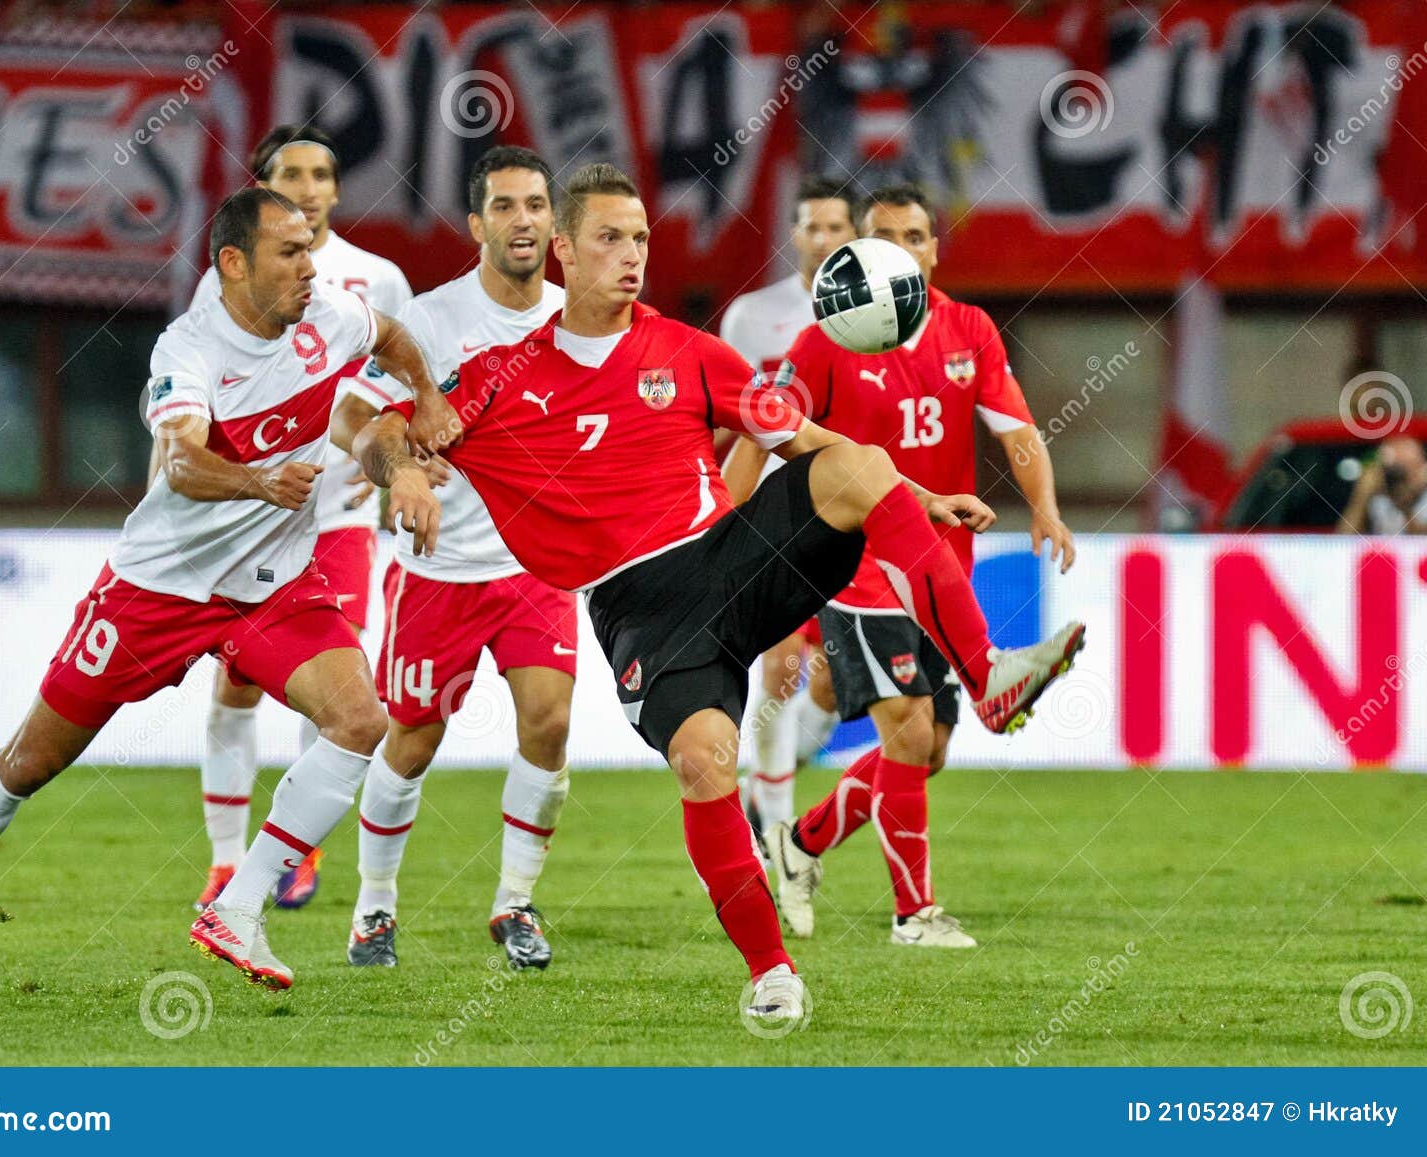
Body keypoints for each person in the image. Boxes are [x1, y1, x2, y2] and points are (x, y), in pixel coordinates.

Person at [355, 164, 1084, 1024]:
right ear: (563, 251)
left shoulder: (687, 350)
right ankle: (771, 970)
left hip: (731, 556)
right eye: (609, 239)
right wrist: (402, 468)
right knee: (704, 762)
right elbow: (383, 427)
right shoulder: (503, 375)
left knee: (856, 462)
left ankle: (989, 670)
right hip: (644, 608)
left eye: (641, 240)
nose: (632, 257)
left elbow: (798, 434)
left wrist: (919, 497)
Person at [0, 187, 457, 1003]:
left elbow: (391, 336)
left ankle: (238, 905)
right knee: (31, 760)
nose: (312, 266)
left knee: (359, 719)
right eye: (290, 252)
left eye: (311, 248)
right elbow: (183, 463)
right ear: (234, 264)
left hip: (269, 584)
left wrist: (428, 403)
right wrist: (259, 479)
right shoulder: (188, 348)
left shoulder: (334, 317)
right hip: (159, 586)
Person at [727, 183, 1077, 948]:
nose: (901, 250)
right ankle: (913, 914)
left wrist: (1044, 507)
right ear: (862, 247)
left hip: (939, 574)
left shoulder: (968, 329)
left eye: (914, 237)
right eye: (883, 237)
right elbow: (762, 422)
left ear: (934, 249)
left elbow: (1016, 428)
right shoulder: (829, 336)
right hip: (854, 568)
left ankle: (799, 843)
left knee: (929, 750)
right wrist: (727, 524)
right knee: (909, 734)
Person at [335, 146, 575, 971]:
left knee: (549, 720)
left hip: (536, 568)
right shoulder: (434, 321)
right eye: (505, 206)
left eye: (536, 205)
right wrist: (401, 469)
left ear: (555, 220)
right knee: (412, 740)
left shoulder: (577, 319)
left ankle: (514, 904)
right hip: (438, 569)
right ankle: (373, 908)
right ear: (477, 224)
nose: (523, 221)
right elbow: (354, 420)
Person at [183, 124, 414, 914]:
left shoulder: (376, 279)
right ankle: (222, 859)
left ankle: (298, 846)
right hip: (250, 522)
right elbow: (201, 396)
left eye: (322, 173)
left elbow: (404, 384)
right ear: (262, 185)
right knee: (234, 688)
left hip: (338, 517)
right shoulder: (225, 283)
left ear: (338, 188)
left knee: (336, 686)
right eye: (292, 173)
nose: (309, 187)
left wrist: (392, 465)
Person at [719, 176, 856, 836]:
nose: (824, 239)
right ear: (796, 234)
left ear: (855, 235)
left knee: (832, 682)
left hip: (849, 515)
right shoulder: (752, 316)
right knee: (780, 664)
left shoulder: (875, 312)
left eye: (837, 227)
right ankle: (776, 825)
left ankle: (765, 783)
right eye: (814, 226)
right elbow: (728, 414)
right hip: (777, 514)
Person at [1339, 436, 1427, 534]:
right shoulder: (1379, 494)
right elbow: (1344, 535)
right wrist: (1362, 495)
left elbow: (1421, 541)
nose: (1397, 482)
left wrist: (1407, 504)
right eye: (1392, 472)